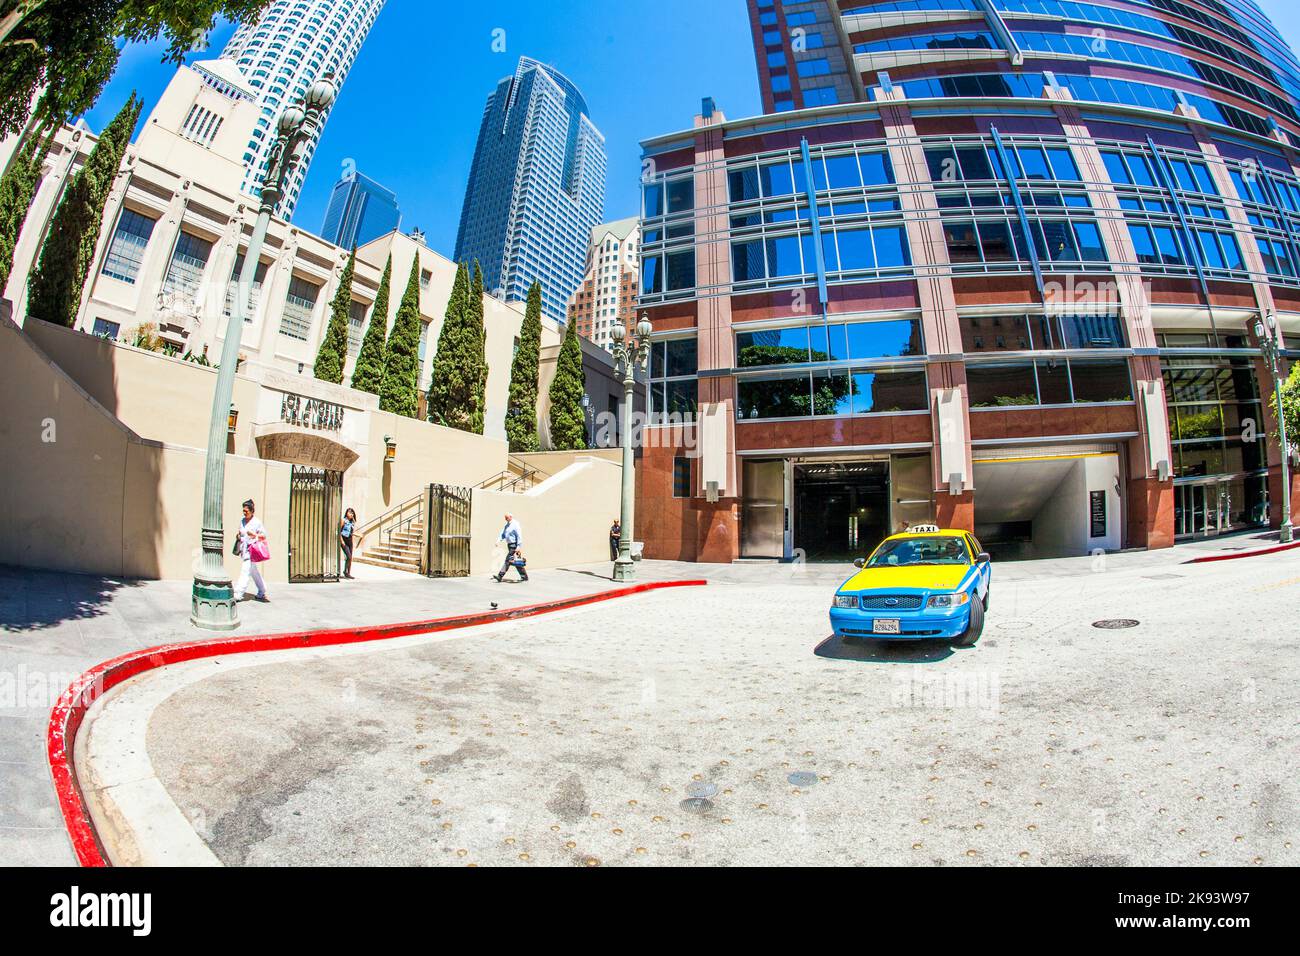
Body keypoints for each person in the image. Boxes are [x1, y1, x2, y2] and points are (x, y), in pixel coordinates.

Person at [233, 498, 269, 602]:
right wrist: (238, 536)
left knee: (245, 571)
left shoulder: (257, 522)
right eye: (243, 510)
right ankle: (262, 591)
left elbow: (264, 536)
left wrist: (254, 535)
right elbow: (240, 532)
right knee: (253, 572)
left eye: (246, 511)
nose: (244, 513)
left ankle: (238, 593)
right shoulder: (242, 521)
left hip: (252, 550)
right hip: (244, 550)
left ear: (252, 511)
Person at [494, 512, 528, 582]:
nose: (505, 519)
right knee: (516, 562)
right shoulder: (507, 525)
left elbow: (519, 535)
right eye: (505, 518)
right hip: (509, 546)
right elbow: (503, 534)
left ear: (511, 517)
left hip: (514, 546)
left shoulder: (515, 524)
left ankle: (500, 576)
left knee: (508, 560)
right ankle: (524, 576)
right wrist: (498, 541)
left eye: (506, 517)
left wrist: (518, 546)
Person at [340, 507, 357, 579]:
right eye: (350, 512)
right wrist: (342, 541)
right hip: (344, 540)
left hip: (350, 541)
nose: (351, 514)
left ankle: (348, 573)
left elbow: (351, 533)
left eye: (352, 513)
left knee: (350, 558)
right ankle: (345, 571)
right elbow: (339, 532)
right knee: (349, 557)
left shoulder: (352, 522)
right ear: (346, 513)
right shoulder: (343, 521)